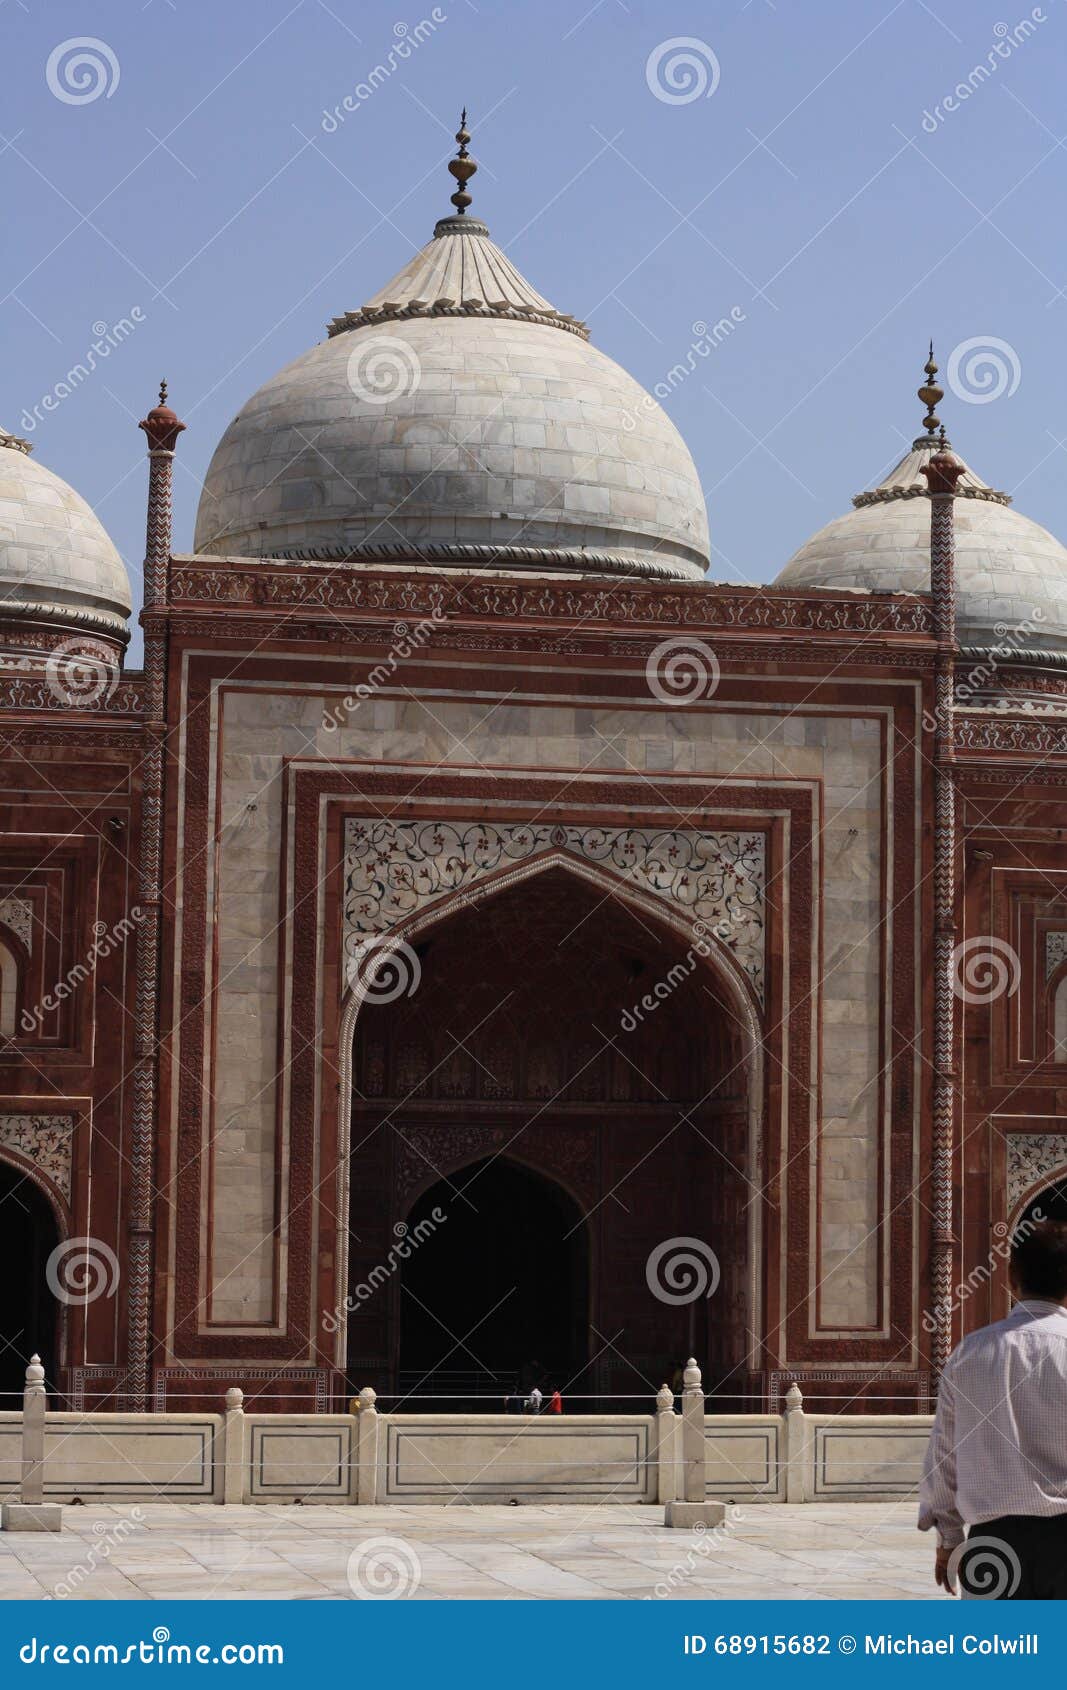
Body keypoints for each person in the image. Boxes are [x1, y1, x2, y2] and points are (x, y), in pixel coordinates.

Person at [919, 1217, 1067, 1599]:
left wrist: (950, 1537)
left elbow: (944, 1453)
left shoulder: (971, 1352)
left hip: (994, 1543)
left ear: (1012, 1279)